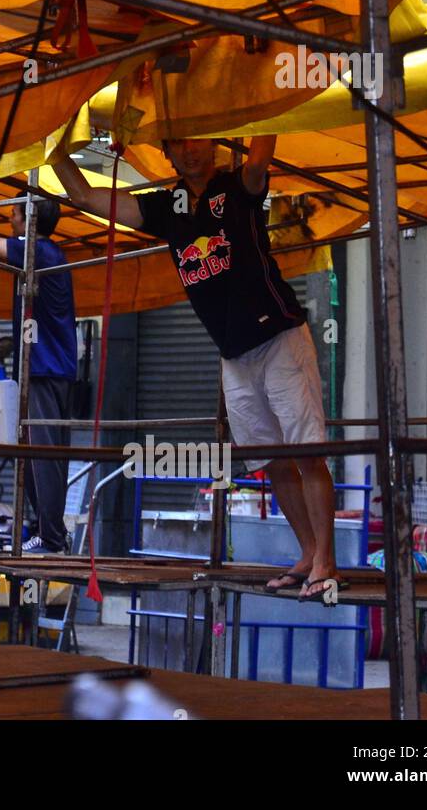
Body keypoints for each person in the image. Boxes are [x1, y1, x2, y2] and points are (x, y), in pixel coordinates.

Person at [51, 137, 342, 600]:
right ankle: (307, 553)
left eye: (197, 141)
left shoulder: (237, 185)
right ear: (166, 154)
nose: (189, 152)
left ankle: (326, 562)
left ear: (214, 142)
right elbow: (85, 197)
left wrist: (255, 82)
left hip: (280, 337)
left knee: (307, 452)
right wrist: (53, 151)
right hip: (234, 355)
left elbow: (264, 148)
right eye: (178, 146)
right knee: (270, 460)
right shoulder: (170, 208)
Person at [0, 196, 78, 553]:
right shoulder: (47, 257)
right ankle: (45, 530)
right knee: (36, 452)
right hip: (49, 367)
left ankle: (53, 538)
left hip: (45, 371)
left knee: (43, 454)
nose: (9, 220)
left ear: (28, 219)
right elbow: (46, 323)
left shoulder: (36, 252)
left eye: (12, 213)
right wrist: (12, 345)